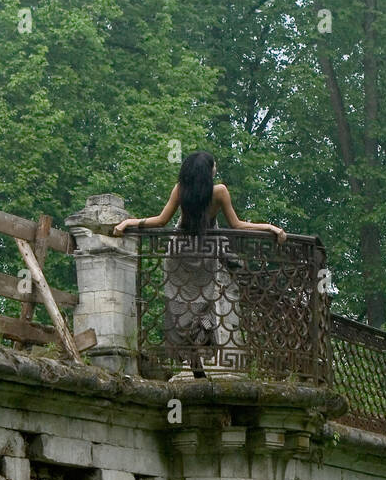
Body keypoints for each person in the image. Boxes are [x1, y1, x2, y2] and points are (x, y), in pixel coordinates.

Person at [114, 151, 287, 377]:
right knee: (204, 305)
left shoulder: (180, 190)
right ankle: (199, 349)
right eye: (214, 166)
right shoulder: (219, 192)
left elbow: (161, 220)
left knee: (180, 306)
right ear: (208, 171)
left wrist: (128, 221)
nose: (216, 169)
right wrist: (269, 227)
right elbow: (237, 224)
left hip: (178, 253)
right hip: (204, 254)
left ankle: (192, 354)